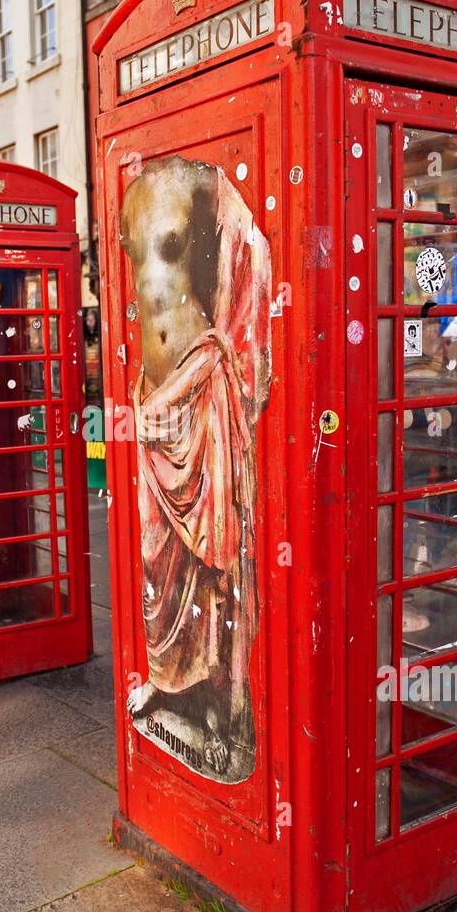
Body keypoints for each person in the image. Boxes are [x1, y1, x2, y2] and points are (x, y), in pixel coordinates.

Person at [120, 155, 271, 781]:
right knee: (158, 557)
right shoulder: (130, 189)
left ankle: (222, 704)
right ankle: (166, 674)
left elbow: (252, 257)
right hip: (148, 401)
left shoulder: (210, 187)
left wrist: (237, 358)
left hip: (201, 383)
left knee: (214, 561)